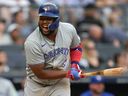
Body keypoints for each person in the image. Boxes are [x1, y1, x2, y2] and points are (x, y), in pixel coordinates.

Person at [24, 2, 85, 96]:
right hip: (36, 85)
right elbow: (41, 73)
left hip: (59, 83)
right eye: (42, 18)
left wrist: (75, 64)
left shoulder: (68, 30)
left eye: (48, 19)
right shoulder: (32, 42)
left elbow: (76, 47)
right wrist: (68, 73)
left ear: (57, 20)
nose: (44, 22)